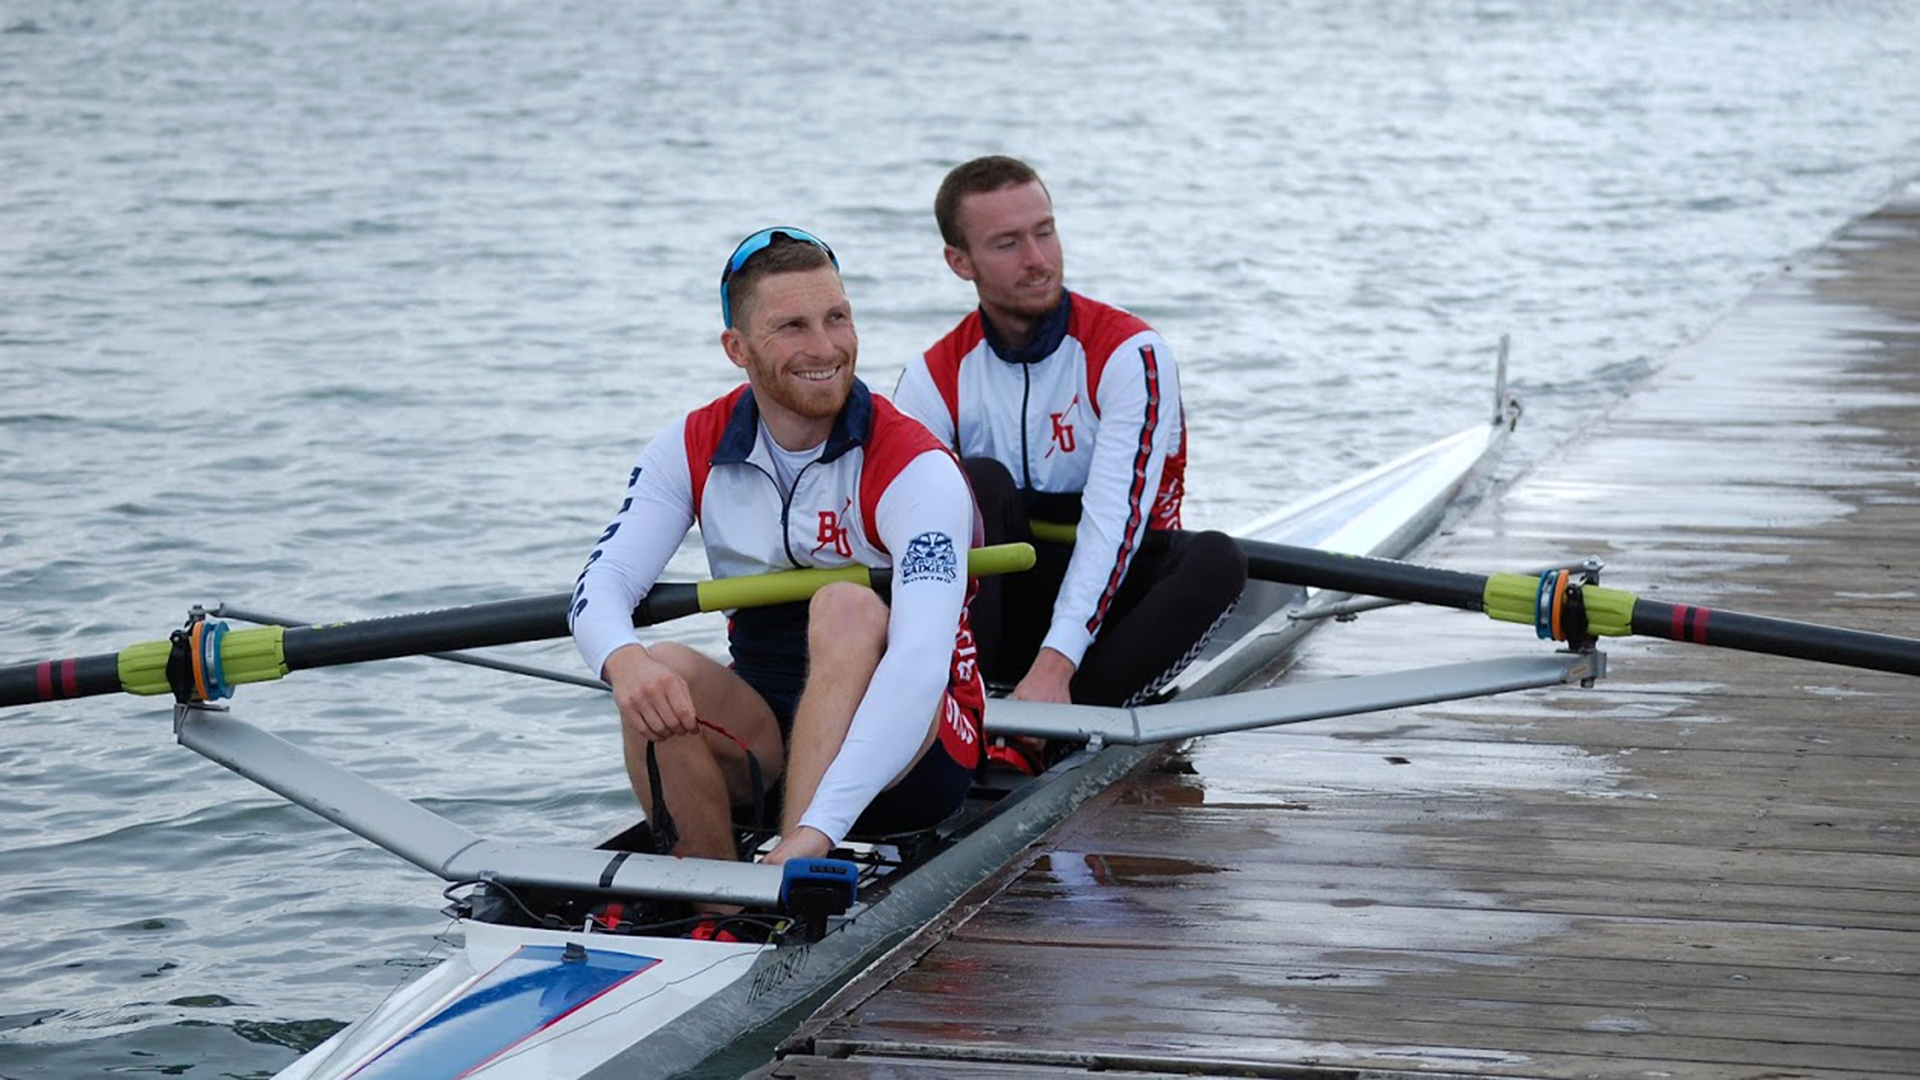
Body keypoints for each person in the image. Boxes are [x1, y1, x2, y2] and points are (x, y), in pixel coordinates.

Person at [570, 227, 984, 887]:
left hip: (913, 751)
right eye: (792, 326)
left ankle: (791, 870)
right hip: (766, 734)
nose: (825, 348)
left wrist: (812, 835)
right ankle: (717, 907)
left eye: (837, 318)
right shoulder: (691, 445)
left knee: (845, 606)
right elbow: (603, 584)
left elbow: (919, 665)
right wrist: (623, 663)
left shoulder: (916, 467)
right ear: (736, 348)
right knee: (657, 666)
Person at [894, 156, 1246, 718]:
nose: (1037, 259)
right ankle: (969, 702)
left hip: (1117, 600)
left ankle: (1051, 719)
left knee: (1218, 559)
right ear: (959, 262)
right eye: (1007, 243)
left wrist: (1056, 664)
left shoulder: (1129, 355)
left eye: (1045, 232)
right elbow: (911, 539)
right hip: (1000, 611)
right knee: (973, 483)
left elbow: (1112, 525)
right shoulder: (930, 379)